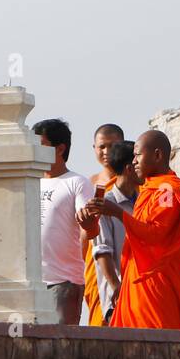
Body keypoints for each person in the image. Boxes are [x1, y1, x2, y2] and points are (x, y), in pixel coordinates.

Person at [96, 130, 180, 330]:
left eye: (138, 155)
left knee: (158, 341)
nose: (133, 161)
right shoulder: (150, 188)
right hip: (138, 279)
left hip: (157, 280)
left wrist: (119, 213)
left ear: (157, 155)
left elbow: (157, 233)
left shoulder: (166, 189)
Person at [33, 119, 94, 326]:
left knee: (60, 348)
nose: (35, 152)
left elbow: (90, 226)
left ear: (60, 149)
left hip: (63, 281)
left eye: (40, 146)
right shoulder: (29, 182)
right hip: (31, 283)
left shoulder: (77, 182)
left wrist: (88, 221)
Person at [78, 140, 138, 325]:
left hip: (139, 293)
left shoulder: (144, 201)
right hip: (117, 297)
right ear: (129, 168)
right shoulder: (103, 204)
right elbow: (102, 251)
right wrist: (116, 287)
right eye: (138, 163)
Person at [81, 124, 125, 321]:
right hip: (93, 259)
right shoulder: (89, 183)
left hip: (121, 256)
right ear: (94, 149)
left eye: (113, 146)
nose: (107, 152)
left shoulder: (130, 182)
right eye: (102, 147)